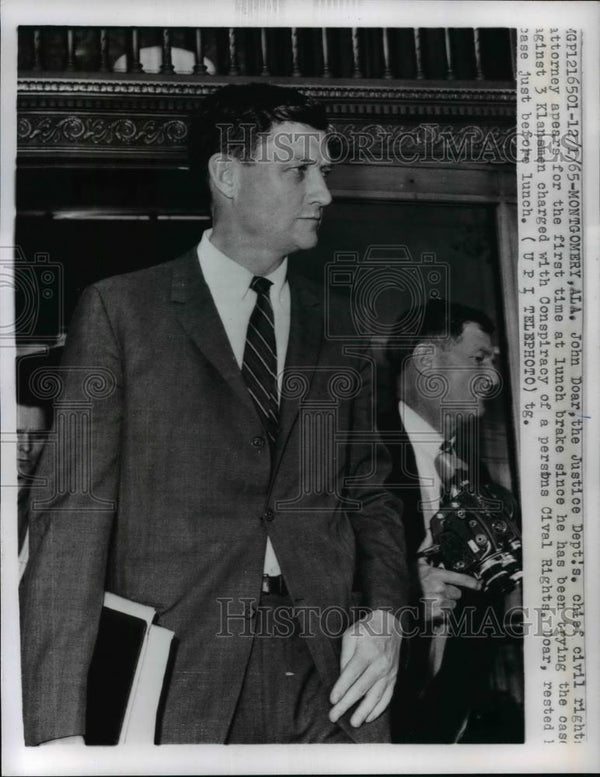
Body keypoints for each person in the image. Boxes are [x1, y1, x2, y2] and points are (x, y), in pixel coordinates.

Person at [20, 83, 409, 746]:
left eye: (325, 172)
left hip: (332, 675)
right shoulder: (122, 314)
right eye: (298, 171)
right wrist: (56, 728)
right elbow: (71, 520)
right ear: (226, 174)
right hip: (177, 675)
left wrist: (386, 615)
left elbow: (371, 493)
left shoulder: (342, 326)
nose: (324, 193)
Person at [378, 299, 523, 743]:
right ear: (426, 358)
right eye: (479, 359)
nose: (493, 377)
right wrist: (404, 590)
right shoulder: (357, 454)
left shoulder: (476, 482)